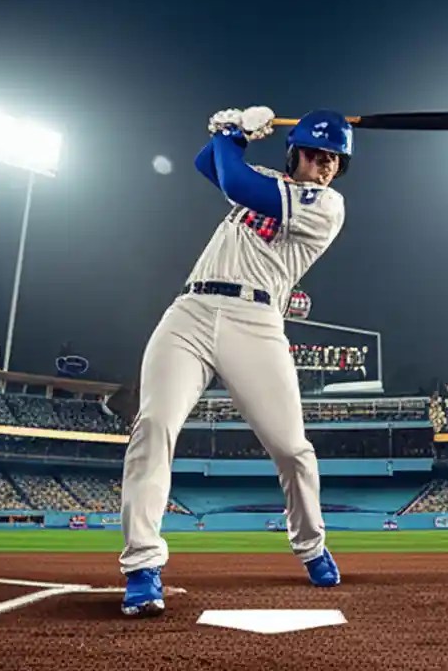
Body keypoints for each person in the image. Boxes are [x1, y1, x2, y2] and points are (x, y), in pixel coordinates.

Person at [117, 106, 351, 617]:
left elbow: (237, 183)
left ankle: (311, 545)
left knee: (292, 449)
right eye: (316, 154)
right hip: (190, 311)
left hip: (256, 323)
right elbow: (208, 163)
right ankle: (142, 566)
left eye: (333, 159)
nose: (325, 165)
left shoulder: (327, 205)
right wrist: (231, 137)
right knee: (153, 425)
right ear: (295, 153)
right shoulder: (267, 179)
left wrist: (233, 133)